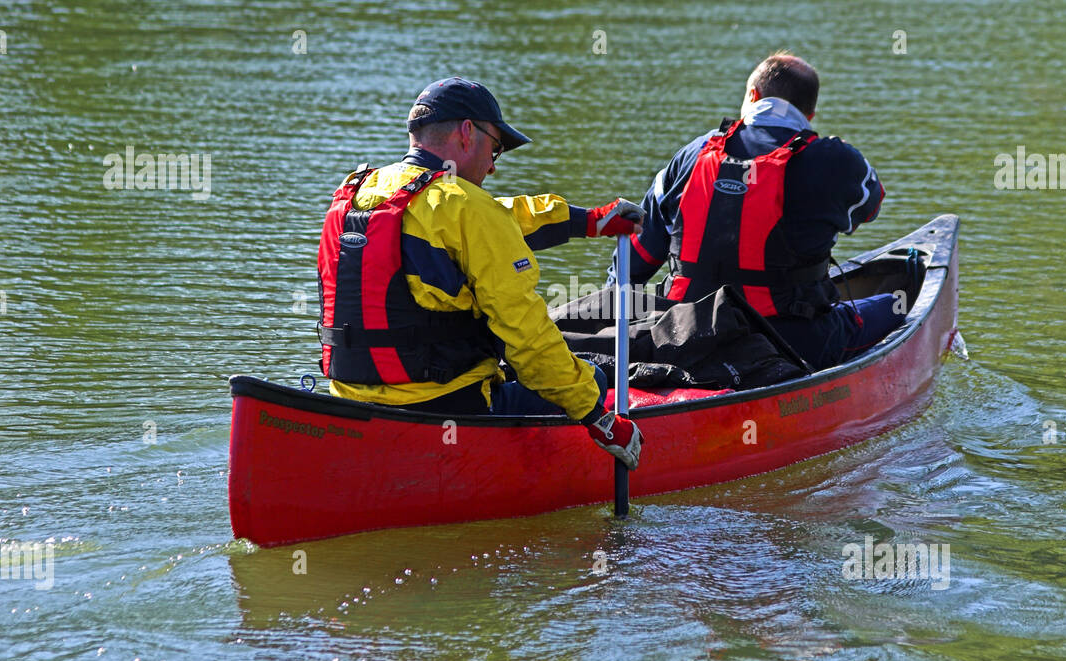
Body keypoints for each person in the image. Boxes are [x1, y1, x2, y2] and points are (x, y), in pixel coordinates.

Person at [317, 76, 644, 469]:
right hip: (445, 406)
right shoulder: (467, 208)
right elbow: (529, 340)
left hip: (348, 397)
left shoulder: (358, 191)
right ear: (467, 132)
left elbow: (488, 218)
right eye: (496, 148)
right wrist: (599, 417)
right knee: (593, 380)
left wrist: (587, 221)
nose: (492, 166)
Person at [610, 52, 902, 371]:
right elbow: (871, 206)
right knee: (895, 304)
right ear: (811, 114)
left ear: (752, 95)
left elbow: (632, 264)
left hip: (682, 336)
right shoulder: (836, 160)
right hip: (792, 343)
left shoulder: (690, 156)